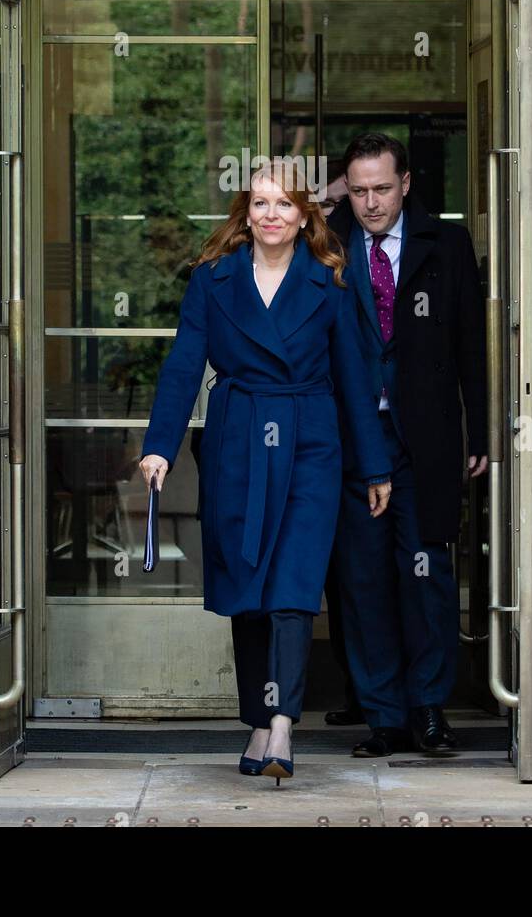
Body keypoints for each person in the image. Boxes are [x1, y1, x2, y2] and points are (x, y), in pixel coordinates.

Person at [138, 162, 393, 784]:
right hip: (237, 442)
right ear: (245, 214)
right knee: (248, 592)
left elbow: (355, 381)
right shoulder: (212, 279)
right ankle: (258, 719)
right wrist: (160, 446)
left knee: (292, 588)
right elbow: (183, 365)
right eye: (260, 203)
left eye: (284, 204)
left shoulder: (330, 282)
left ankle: (281, 723)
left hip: (310, 443)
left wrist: (374, 466)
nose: (272, 214)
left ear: (305, 215)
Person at [327, 133, 488, 758]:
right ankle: (384, 717)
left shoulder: (446, 243)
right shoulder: (325, 244)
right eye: (358, 191)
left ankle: (428, 709)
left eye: (382, 189)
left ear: (407, 183)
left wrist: (480, 430)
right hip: (351, 439)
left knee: (426, 574)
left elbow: (472, 344)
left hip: (426, 437)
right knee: (363, 580)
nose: (370, 203)